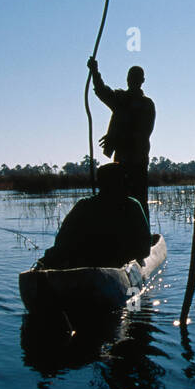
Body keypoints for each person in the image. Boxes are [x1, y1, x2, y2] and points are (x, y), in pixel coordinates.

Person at [40, 163, 151, 269]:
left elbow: (144, 249)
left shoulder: (131, 206)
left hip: (106, 261)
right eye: (122, 181)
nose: (127, 184)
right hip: (91, 261)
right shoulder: (132, 205)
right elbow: (144, 249)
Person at [87, 60, 155, 217]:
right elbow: (102, 91)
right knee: (119, 198)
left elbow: (143, 133)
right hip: (121, 160)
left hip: (138, 160)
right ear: (127, 79)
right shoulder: (120, 100)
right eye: (130, 77)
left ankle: (142, 234)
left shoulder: (147, 105)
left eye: (136, 77)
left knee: (139, 199)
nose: (132, 80)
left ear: (142, 81)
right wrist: (95, 72)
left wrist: (116, 138)